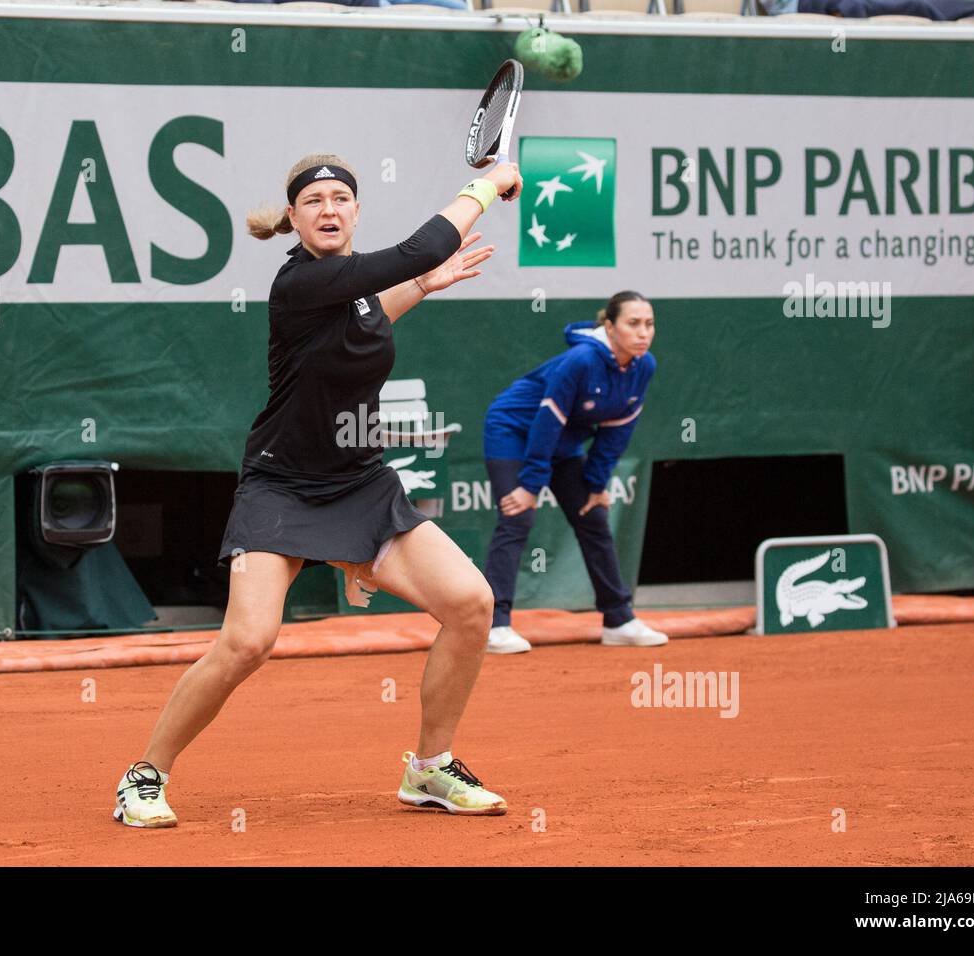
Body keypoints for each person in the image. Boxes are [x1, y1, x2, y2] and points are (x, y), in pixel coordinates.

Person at [112, 152, 524, 827]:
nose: (328, 209)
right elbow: (423, 246)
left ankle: (429, 769)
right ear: (296, 218)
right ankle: (143, 775)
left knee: (471, 604)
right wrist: (485, 185)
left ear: (356, 210)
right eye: (314, 201)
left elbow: (366, 316)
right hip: (281, 487)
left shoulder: (355, 293)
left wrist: (420, 288)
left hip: (360, 483)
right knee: (248, 641)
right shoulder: (300, 283)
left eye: (340, 198)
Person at [481, 292, 667, 654]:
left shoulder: (644, 366)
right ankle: (495, 625)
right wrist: (531, 484)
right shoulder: (581, 360)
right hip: (514, 430)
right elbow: (546, 423)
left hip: (562, 443)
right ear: (610, 327)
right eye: (633, 323)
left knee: (593, 515)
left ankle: (619, 619)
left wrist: (596, 484)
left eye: (649, 324)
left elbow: (617, 431)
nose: (643, 333)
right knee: (517, 516)